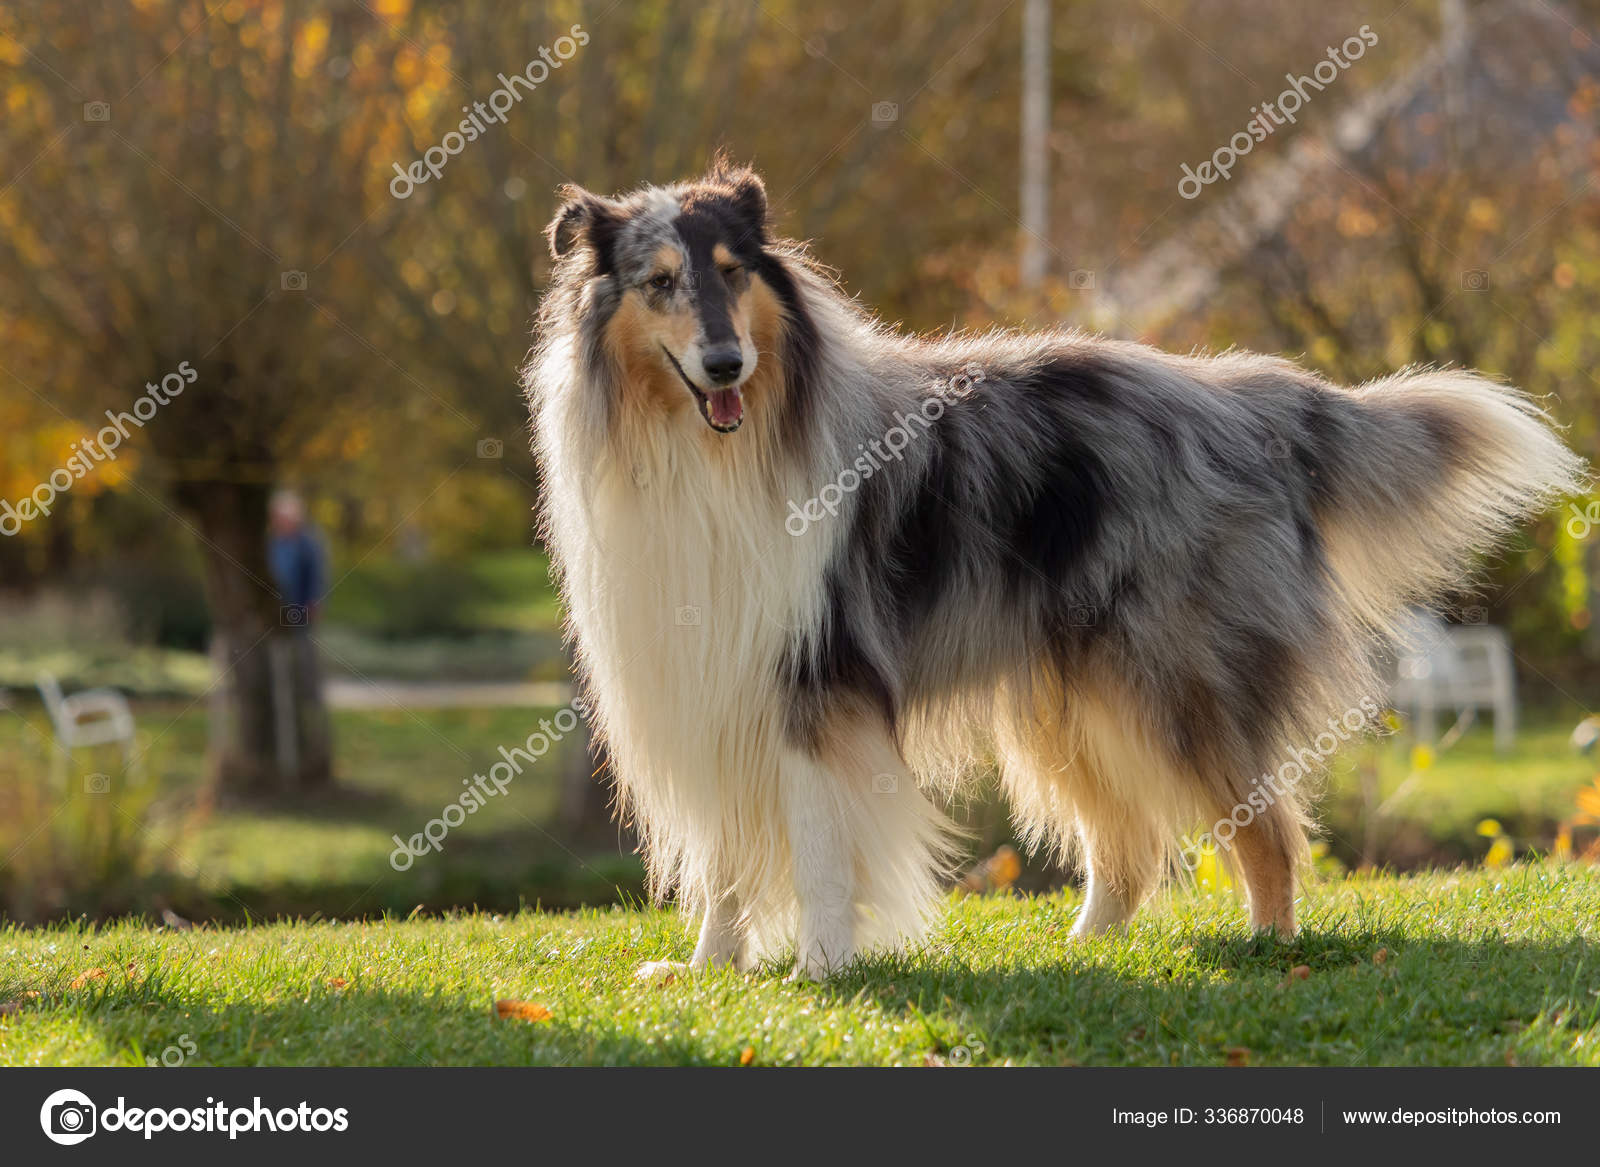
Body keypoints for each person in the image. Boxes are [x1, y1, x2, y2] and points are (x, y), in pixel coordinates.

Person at [268, 489, 326, 626]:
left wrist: (314, 601)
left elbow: (316, 575)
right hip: (274, 607)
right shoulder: (272, 541)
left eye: (282, 518)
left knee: (299, 640)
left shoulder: (309, 544)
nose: (278, 522)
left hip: (299, 606)